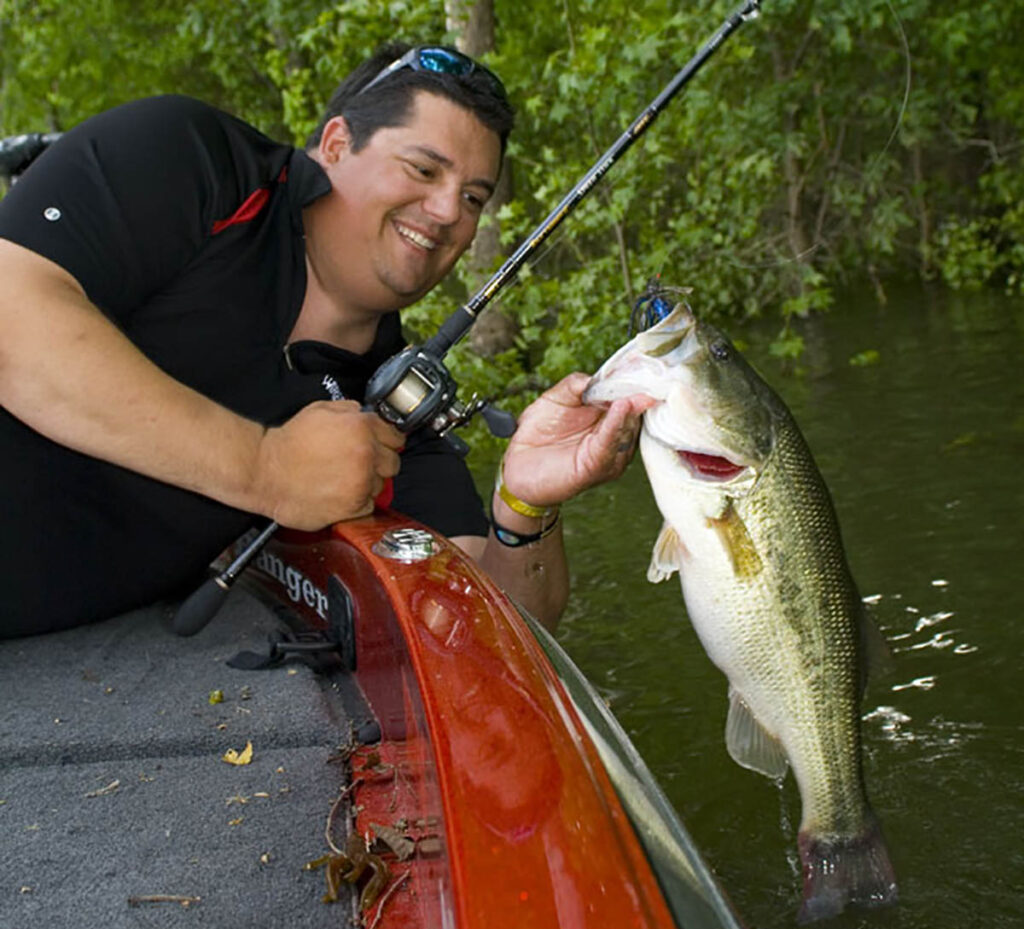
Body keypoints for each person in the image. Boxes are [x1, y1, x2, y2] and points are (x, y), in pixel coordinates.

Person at [0, 43, 648, 638]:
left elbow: (499, 631)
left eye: (474, 196)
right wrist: (269, 467)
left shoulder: (389, 410)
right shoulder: (191, 158)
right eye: (424, 168)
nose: (451, 212)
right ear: (336, 144)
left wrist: (523, 506)